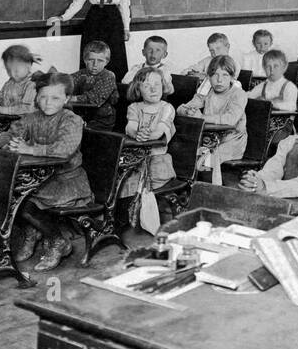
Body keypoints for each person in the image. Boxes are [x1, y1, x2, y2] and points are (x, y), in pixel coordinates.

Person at [0, 73, 90, 271]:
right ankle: (33, 233)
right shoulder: (31, 118)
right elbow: (8, 134)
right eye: (43, 96)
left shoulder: (71, 120)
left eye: (55, 98)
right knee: (10, 198)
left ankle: (57, 241)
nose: (48, 102)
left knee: (25, 202)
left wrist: (29, 149)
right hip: (37, 180)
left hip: (66, 182)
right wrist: (8, 143)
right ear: (37, 97)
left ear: (67, 98)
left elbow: (64, 149)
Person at [118, 68, 175, 238]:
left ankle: (154, 220)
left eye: (157, 84)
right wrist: (136, 133)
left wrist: (145, 135)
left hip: (159, 159)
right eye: (147, 85)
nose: (153, 89)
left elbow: (158, 132)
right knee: (124, 182)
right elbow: (131, 127)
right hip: (137, 158)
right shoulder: (134, 107)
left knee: (148, 186)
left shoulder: (167, 108)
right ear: (137, 89)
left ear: (163, 87)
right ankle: (129, 221)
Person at [177, 54, 248, 184]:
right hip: (209, 139)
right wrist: (188, 111)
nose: (219, 80)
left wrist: (201, 117)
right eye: (215, 75)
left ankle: (213, 190)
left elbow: (230, 119)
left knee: (207, 157)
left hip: (231, 141)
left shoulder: (239, 94)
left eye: (225, 75)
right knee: (187, 152)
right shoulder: (207, 91)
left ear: (232, 77)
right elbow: (182, 108)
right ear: (209, 77)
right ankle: (191, 188)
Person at [67, 41, 118, 129]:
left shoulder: (109, 76)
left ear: (107, 62)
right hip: (83, 116)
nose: (95, 65)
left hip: (102, 120)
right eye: (91, 60)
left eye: (100, 61)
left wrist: (74, 98)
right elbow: (66, 82)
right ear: (85, 60)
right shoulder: (81, 74)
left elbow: (96, 99)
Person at [0, 44, 41, 115]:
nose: (12, 74)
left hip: (27, 121)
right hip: (10, 117)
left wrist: (2, 110)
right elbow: (1, 96)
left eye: (16, 70)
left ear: (28, 65)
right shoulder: (10, 83)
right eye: (8, 70)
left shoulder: (31, 84)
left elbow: (27, 108)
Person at [247, 48, 298, 112]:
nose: (272, 70)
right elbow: (250, 95)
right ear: (264, 68)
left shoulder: (289, 87)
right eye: (268, 67)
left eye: (276, 66)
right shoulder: (263, 85)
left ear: (284, 67)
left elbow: (292, 106)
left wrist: (271, 104)